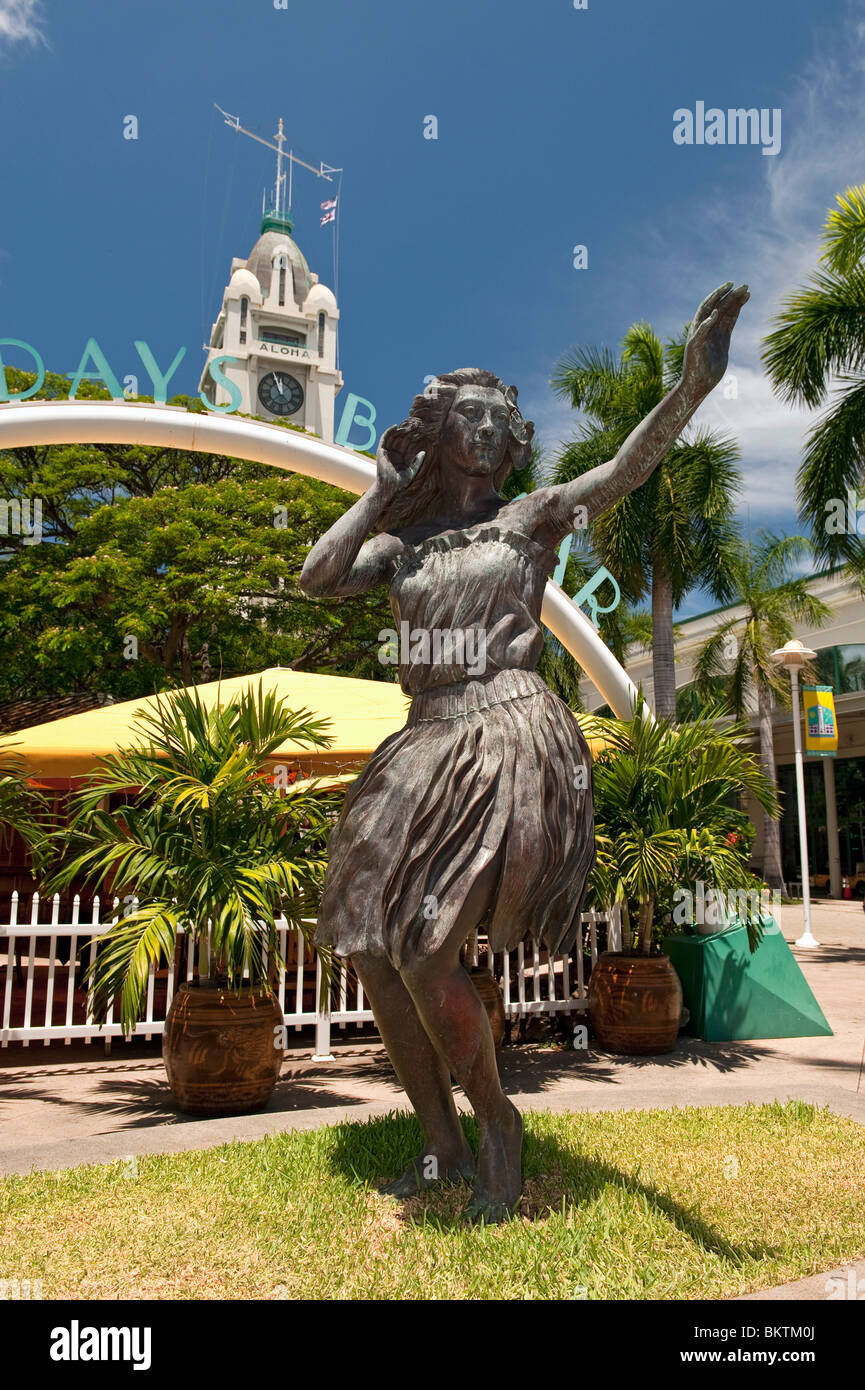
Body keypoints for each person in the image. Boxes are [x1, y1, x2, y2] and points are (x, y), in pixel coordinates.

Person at [300, 282, 749, 1221]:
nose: (481, 430)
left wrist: (690, 388)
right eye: (463, 416)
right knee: (373, 953)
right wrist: (379, 494)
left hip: (502, 728)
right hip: (419, 739)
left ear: (510, 443)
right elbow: (316, 578)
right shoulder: (406, 543)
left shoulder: (532, 517)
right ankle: (439, 1140)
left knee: (426, 953)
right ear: (436, 433)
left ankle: (498, 1123)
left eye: (496, 420)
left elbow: (623, 469)